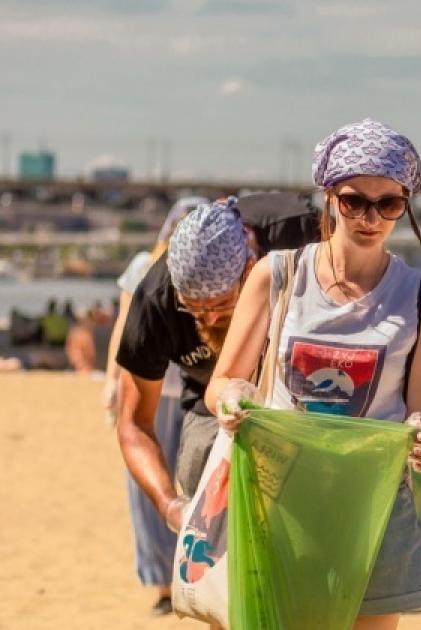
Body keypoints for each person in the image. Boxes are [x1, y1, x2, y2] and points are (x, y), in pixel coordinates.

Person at [205, 118, 421, 629]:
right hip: (281, 499)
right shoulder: (277, 275)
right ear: (329, 197)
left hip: (372, 505)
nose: (371, 217)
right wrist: (230, 399)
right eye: (354, 201)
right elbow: (222, 382)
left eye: (389, 204)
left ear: (405, 204)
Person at [115, 192, 321, 539]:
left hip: (301, 391)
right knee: (200, 461)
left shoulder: (298, 233)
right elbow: (134, 424)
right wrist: (170, 505)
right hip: (209, 402)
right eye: (193, 307)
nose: (208, 318)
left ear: (249, 271)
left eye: (221, 304)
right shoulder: (156, 299)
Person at [103, 197, 203, 615]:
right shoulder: (145, 266)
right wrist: (112, 381)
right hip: (149, 390)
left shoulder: (209, 265)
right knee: (149, 487)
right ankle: (162, 584)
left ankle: (194, 574)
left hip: (196, 390)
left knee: (196, 483)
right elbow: (125, 325)